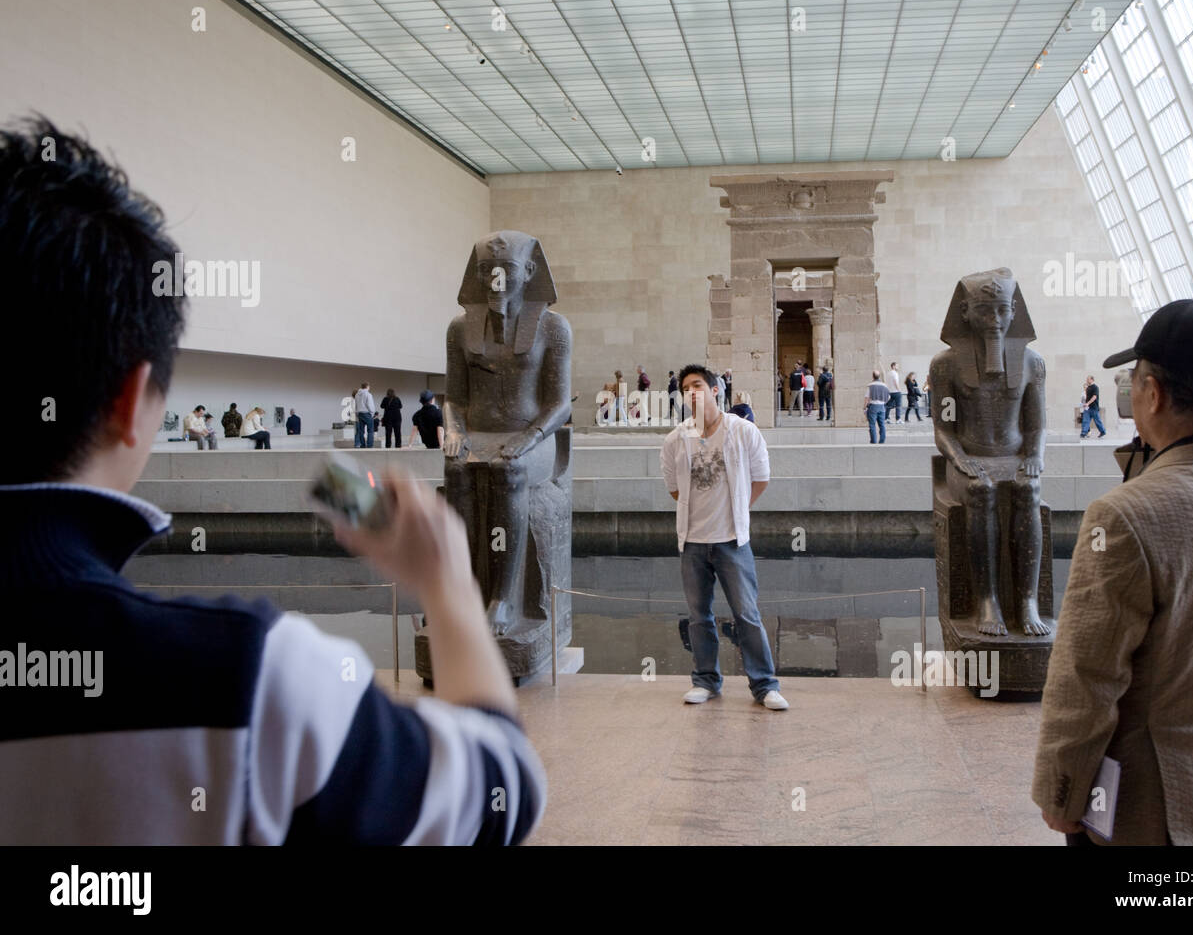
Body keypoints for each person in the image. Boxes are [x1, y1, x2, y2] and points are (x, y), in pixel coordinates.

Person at [0, 115, 544, 844]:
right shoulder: (254, 677)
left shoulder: (549, 331)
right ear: (132, 402)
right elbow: (499, 792)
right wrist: (446, 583)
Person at [1033, 297, 1193, 846]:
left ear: (1152, 393)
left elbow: (1087, 675)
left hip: (1147, 809)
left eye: (1133, 380)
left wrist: (1061, 793)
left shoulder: (1124, 515)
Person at [660, 365, 785, 710]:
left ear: (715, 390)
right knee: (699, 616)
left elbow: (761, 478)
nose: (692, 392)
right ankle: (706, 681)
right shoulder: (675, 440)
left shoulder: (743, 431)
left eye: (698, 385)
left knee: (747, 614)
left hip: (732, 540)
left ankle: (764, 685)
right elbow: (674, 488)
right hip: (693, 543)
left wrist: (737, 512)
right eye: (686, 388)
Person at [865, 370, 889, 443]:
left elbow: (866, 398)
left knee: (872, 425)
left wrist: (864, 407)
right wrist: (883, 402)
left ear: (873, 376)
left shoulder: (871, 385)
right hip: (882, 406)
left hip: (873, 407)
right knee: (882, 425)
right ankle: (882, 441)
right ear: (879, 376)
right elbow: (888, 397)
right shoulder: (884, 385)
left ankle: (874, 441)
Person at [1081, 374, 1106, 439]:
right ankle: (1083, 433)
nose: (1087, 380)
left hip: (1094, 408)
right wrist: (1085, 404)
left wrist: (1088, 403)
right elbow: (1087, 397)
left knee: (1097, 421)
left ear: (1092, 380)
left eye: (1088, 379)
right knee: (1085, 420)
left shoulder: (1095, 387)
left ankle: (1102, 431)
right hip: (1087, 408)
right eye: (1087, 379)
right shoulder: (1088, 388)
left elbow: (1094, 397)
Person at [353, 382, 376, 448]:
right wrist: (372, 413)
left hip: (360, 414)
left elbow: (356, 405)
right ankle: (369, 445)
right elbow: (370, 405)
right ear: (367, 386)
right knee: (370, 431)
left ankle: (362, 445)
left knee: (361, 431)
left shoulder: (357, 394)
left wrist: (357, 413)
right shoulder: (368, 394)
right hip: (367, 414)